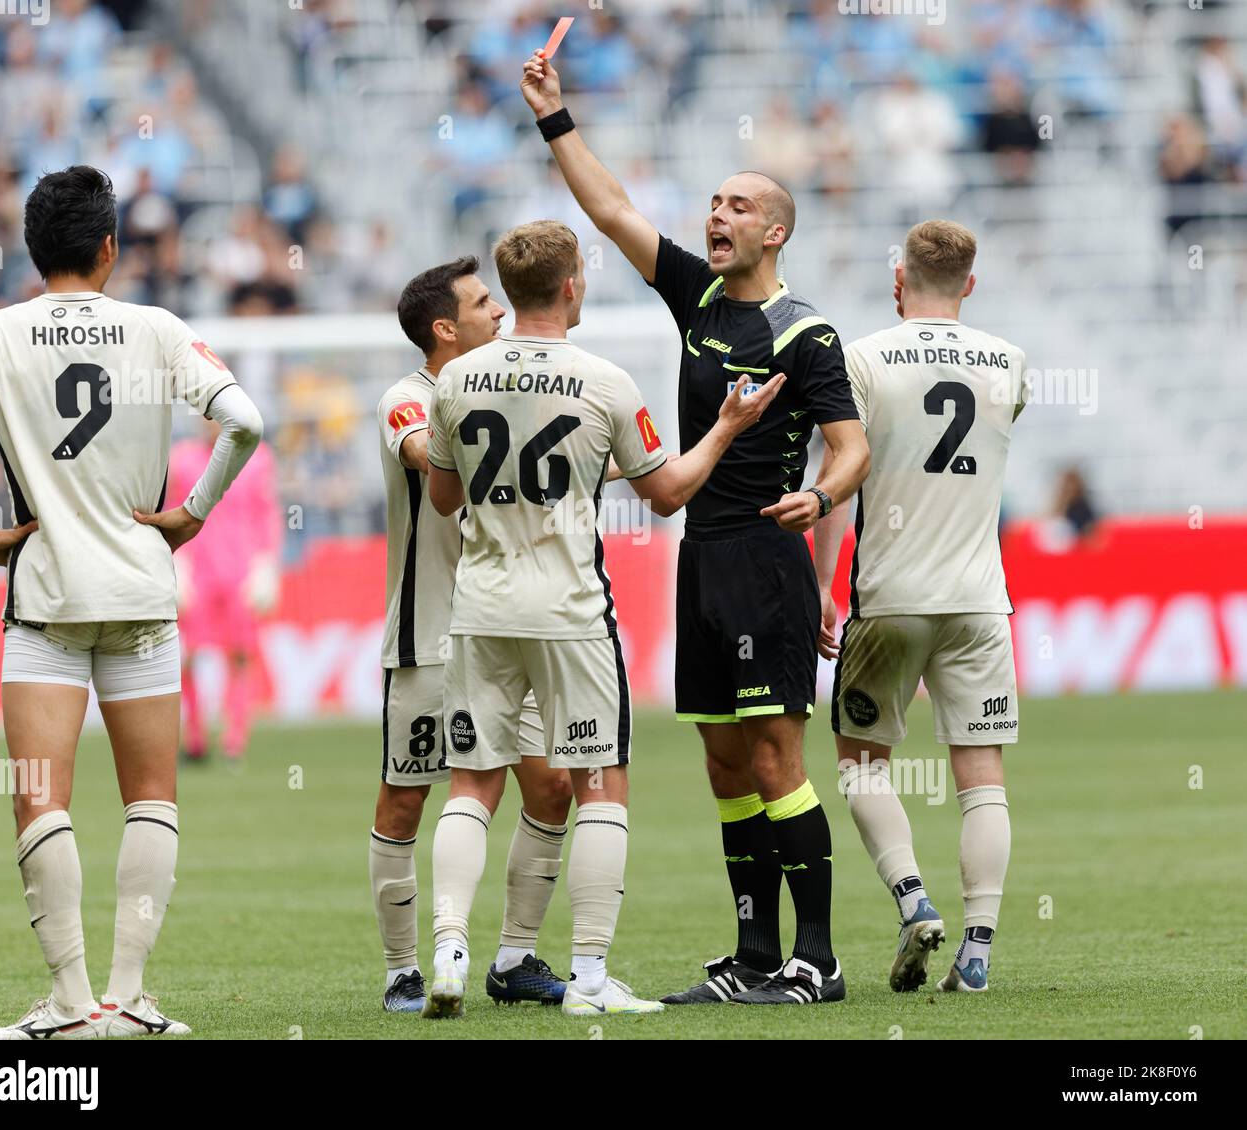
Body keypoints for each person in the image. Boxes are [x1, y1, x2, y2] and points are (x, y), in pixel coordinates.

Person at [521, 51, 870, 1006]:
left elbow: (851, 448)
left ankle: (819, 961)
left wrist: (824, 498)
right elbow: (611, 212)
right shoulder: (700, 300)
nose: (717, 217)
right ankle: (755, 956)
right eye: (713, 203)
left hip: (767, 558)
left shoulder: (806, 336)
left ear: (777, 230)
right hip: (703, 558)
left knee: (775, 757)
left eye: (738, 207)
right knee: (723, 759)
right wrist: (557, 118)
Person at [423, 220, 785, 1017]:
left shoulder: (455, 382)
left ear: (511, 293)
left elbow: (446, 499)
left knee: (472, 785)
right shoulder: (606, 381)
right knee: (600, 785)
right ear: (573, 284)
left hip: (481, 609)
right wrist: (727, 426)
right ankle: (588, 978)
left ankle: (448, 949)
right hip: (571, 613)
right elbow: (668, 494)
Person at [0, 166, 262, 1038]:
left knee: (39, 800)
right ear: (110, 247)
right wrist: (192, 514)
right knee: (152, 798)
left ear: (32, 250)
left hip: (46, 597)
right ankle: (129, 1002)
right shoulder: (158, 329)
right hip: (140, 594)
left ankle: (71, 1006)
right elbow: (247, 422)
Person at [817, 220, 1028, 994]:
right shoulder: (1010, 363)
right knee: (982, 779)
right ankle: (977, 948)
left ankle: (913, 900)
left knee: (862, 764)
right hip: (978, 600)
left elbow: (841, 477)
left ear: (897, 278)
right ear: (969, 285)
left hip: (891, 597)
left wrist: (820, 589)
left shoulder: (862, 358)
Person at [371, 256, 575, 1014]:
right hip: (429, 638)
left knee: (553, 786)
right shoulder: (407, 398)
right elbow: (429, 458)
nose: (499, 311)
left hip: (506, 630)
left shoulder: (509, 389)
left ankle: (514, 956)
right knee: (404, 800)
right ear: (444, 328)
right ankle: (401, 968)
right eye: (483, 302)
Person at [168, 416, 282, 764]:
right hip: (198, 569)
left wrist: (267, 564)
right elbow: (171, 509)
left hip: (241, 571)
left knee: (242, 654)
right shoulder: (182, 458)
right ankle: (196, 736)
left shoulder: (257, 458)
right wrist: (175, 562)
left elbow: (267, 513)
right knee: (185, 654)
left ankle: (235, 738)